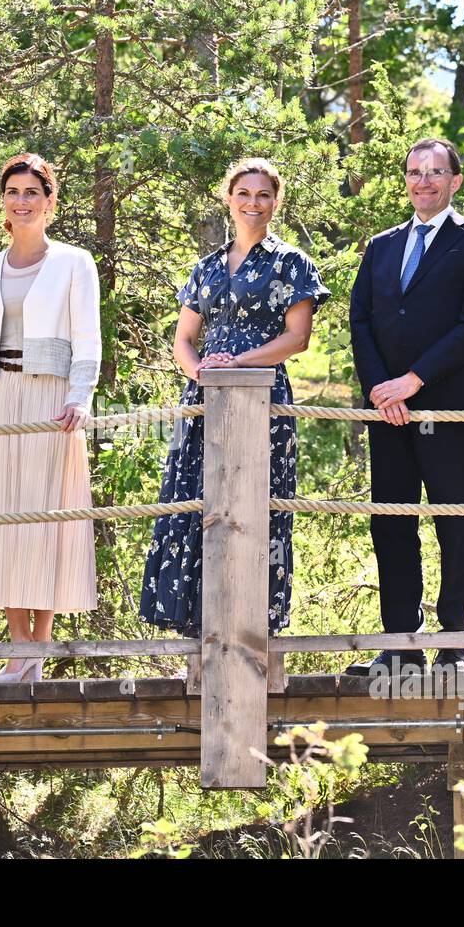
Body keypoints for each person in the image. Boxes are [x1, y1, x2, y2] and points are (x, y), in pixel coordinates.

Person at [139, 157, 330, 639]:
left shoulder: (292, 263)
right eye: (243, 193)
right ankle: (198, 631)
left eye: (263, 195)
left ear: (275, 202)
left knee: (255, 505)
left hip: (263, 399)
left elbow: (297, 338)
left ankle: (250, 631)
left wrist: (238, 364)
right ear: (229, 199)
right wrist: (201, 371)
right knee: (195, 503)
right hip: (205, 401)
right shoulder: (205, 267)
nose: (253, 203)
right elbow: (183, 338)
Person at [346, 137, 464, 676]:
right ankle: (400, 646)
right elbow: (360, 318)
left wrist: (412, 381)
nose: (424, 181)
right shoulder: (382, 245)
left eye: (436, 172)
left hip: (445, 406)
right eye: (415, 172)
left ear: (455, 181)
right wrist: (378, 388)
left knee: (451, 524)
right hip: (385, 408)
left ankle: (454, 647)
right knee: (391, 524)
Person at [0, 153, 100, 682]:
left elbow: (87, 338)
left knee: (45, 519)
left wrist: (81, 397)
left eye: (32, 192)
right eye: (13, 191)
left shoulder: (74, 263)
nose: (22, 200)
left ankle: (39, 648)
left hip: (50, 401)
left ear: (50, 200)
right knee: (2, 523)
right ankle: (20, 649)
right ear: (4, 202)